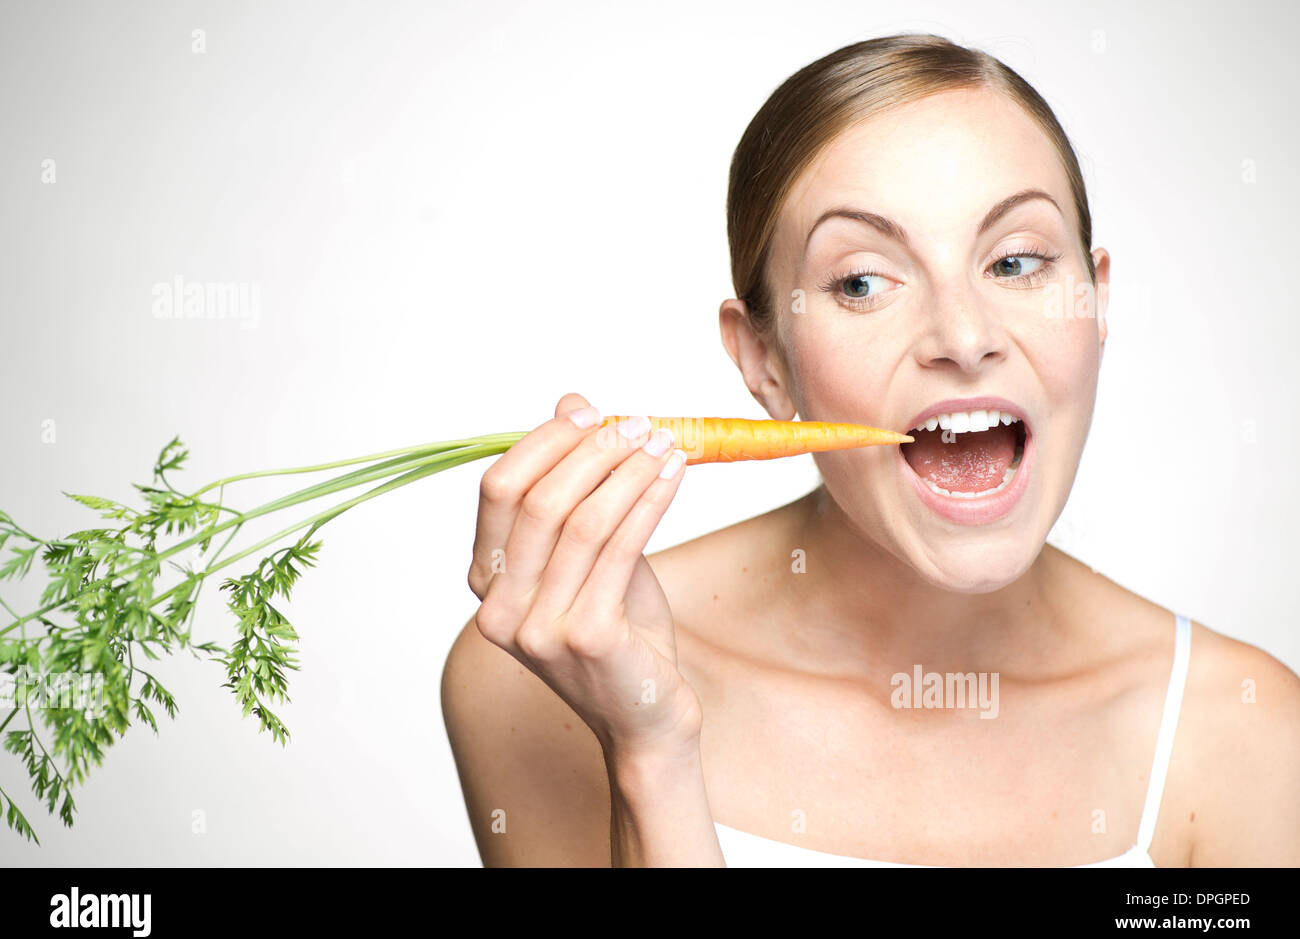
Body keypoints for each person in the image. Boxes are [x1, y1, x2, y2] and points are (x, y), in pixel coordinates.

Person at [441, 33, 1300, 867]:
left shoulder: (1244, 731)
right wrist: (651, 750)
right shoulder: (539, 678)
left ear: (1097, 300)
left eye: (1017, 261)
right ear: (764, 361)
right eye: (861, 282)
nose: (964, 336)